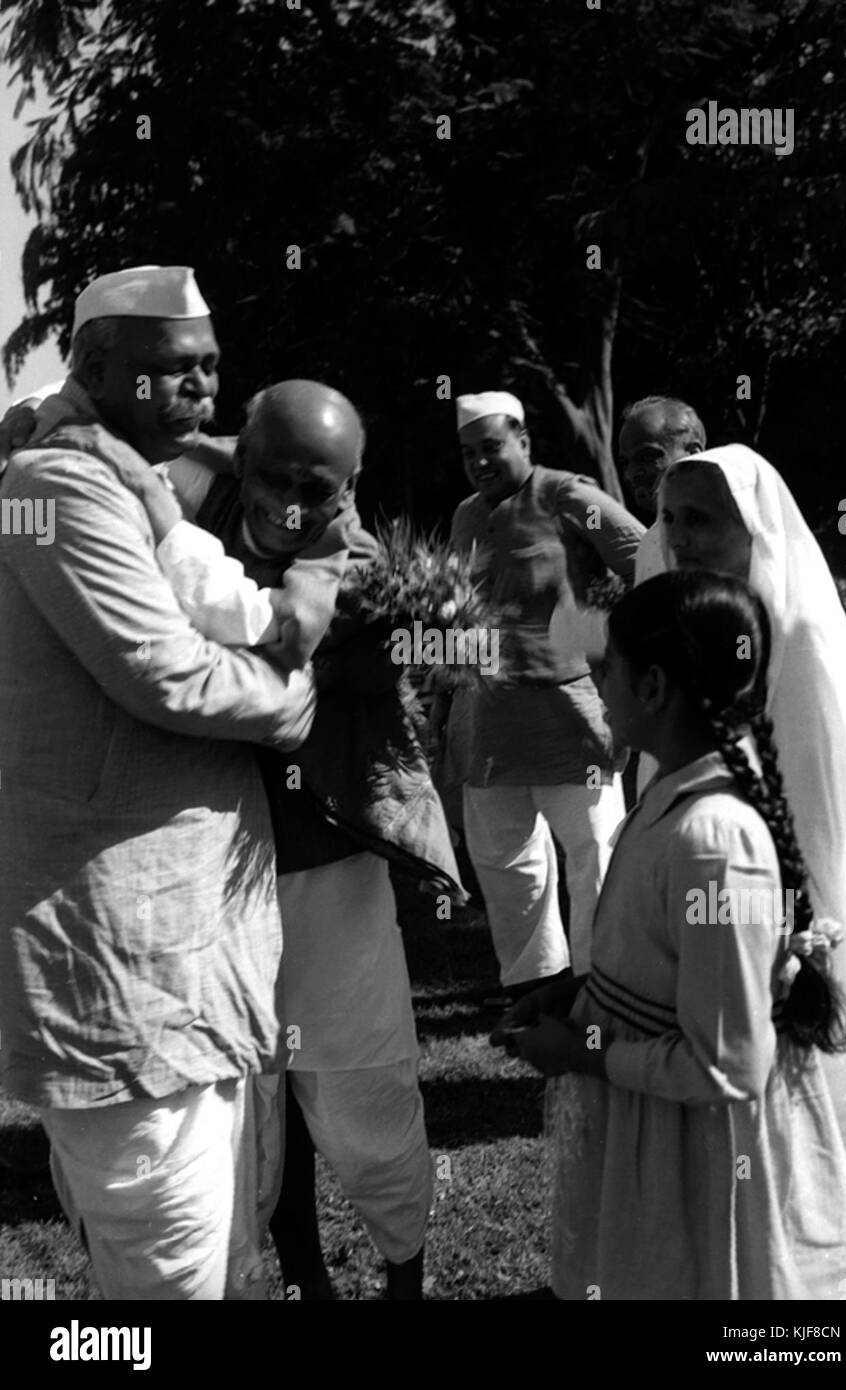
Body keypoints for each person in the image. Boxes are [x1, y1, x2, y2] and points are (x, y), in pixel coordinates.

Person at [0, 267, 327, 1299]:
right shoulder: (48, 491)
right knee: (164, 1269)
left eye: (212, 368)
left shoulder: (135, 486)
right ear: (95, 367)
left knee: (207, 1254)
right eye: (172, 369)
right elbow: (159, 671)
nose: (201, 389)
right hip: (119, 964)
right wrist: (292, 695)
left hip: (184, 962)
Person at [102, 380, 460, 1299]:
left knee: (355, 1087)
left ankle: (403, 1275)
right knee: (254, 1099)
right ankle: (299, 1271)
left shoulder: (361, 567)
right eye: (272, 474)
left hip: (325, 870)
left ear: (351, 483)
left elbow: (276, 668)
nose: (291, 502)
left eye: (318, 484)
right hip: (215, 871)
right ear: (242, 457)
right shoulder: (206, 491)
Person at [493, 570, 846, 1300]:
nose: (597, 685)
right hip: (661, 1135)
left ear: (653, 687)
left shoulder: (713, 841)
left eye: (608, 669)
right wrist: (575, 993)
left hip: (697, 1155)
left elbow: (728, 1066)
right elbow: (667, 959)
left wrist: (580, 1053)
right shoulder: (673, 795)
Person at [645, 443, 846, 1292]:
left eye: (700, 520)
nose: (677, 537)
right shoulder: (678, 622)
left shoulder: (796, 634)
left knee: (800, 1117)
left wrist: (800, 929)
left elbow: (826, 806)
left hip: (791, 917)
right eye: (668, 517)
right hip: (700, 896)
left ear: (752, 528)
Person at [434, 390, 645, 996]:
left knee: (596, 857)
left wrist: (617, 649)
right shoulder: (466, 517)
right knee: (506, 865)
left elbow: (643, 556)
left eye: (492, 447)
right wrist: (445, 707)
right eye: (469, 453)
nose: (480, 462)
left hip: (568, 718)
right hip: (487, 722)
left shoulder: (565, 494)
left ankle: (604, 984)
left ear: (523, 440)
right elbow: (458, 619)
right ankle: (534, 991)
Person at [617, 395, 706, 582]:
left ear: (693, 454)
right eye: (625, 462)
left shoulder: (728, 527)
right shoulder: (647, 546)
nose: (631, 474)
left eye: (647, 457)